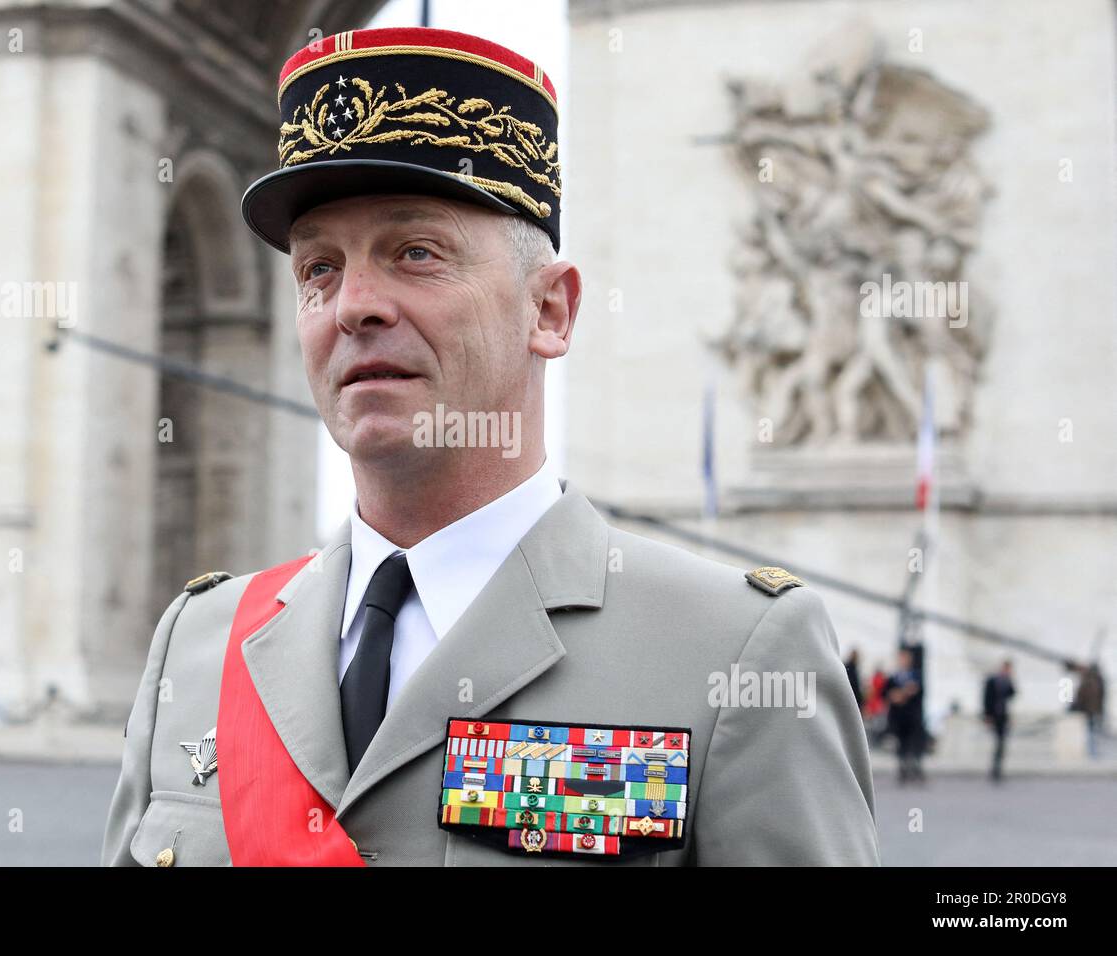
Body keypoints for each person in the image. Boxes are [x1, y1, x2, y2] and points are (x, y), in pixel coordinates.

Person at [100, 25, 880, 867]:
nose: (353, 304)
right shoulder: (198, 641)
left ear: (550, 311)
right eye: (318, 268)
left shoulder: (737, 651)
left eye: (417, 252)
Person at [883, 648, 925, 784]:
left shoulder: (916, 675)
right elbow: (886, 694)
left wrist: (905, 693)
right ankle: (903, 769)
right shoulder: (893, 677)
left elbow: (919, 692)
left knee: (913, 743)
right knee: (901, 744)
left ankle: (914, 767)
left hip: (912, 716)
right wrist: (898, 695)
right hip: (898, 717)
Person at [981, 659, 1015, 781]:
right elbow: (986, 699)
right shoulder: (992, 681)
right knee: (998, 743)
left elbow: (1013, 694)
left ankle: (997, 769)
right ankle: (995, 769)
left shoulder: (1007, 681)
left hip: (1003, 716)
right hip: (994, 716)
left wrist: (1010, 680)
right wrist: (987, 716)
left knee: (1001, 743)